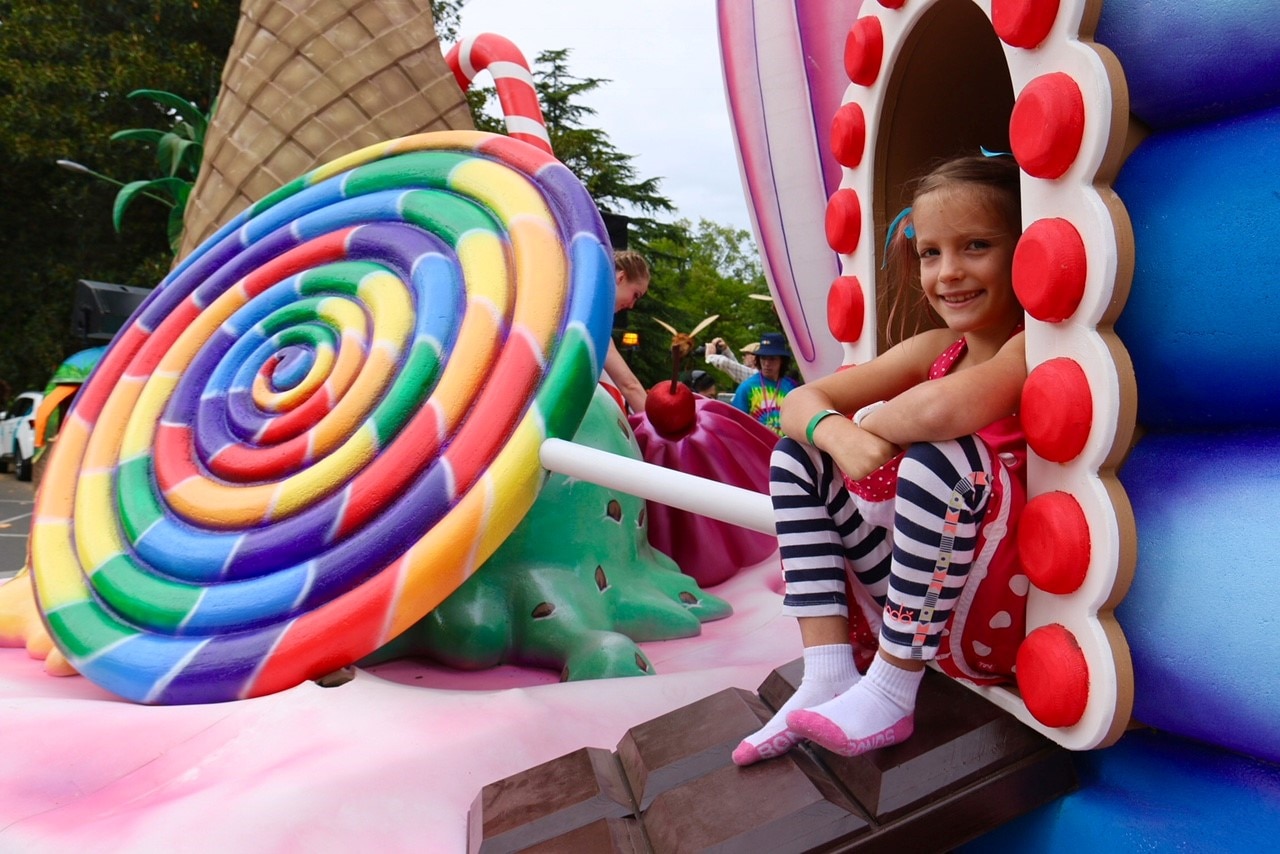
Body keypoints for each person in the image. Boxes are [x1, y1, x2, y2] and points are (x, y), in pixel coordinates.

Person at [733, 153, 1026, 766]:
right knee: (797, 455)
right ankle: (828, 670)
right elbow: (799, 404)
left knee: (940, 459)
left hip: (985, 610)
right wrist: (835, 436)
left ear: (1027, 249)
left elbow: (940, 415)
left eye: (976, 246)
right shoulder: (939, 346)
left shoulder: (1036, 343)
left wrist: (867, 426)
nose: (948, 273)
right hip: (909, 600)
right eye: (930, 252)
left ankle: (892, 687)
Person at [602, 250, 651, 413]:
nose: (631, 305)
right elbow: (629, 385)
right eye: (635, 295)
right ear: (621, 277)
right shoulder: (595, 320)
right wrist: (660, 427)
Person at [730, 332, 796, 434]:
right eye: (763, 358)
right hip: (755, 447)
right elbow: (735, 425)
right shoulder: (746, 388)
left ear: (782, 360)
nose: (766, 364)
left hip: (784, 447)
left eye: (772, 359)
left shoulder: (792, 387)